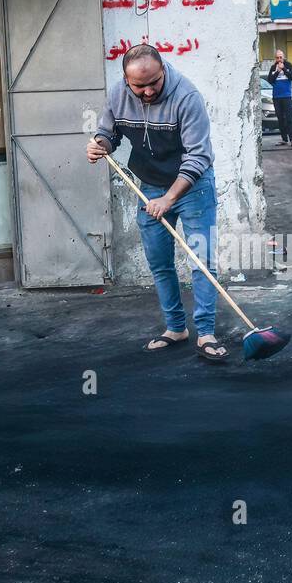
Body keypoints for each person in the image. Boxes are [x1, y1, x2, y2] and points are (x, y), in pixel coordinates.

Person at [86, 45, 227, 361]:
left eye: (155, 82)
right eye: (140, 86)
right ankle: (176, 328)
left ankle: (205, 333)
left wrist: (169, 198)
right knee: (160, 262)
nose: (148, 91)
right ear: (126, 80)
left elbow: (199, 156)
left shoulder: (186, 97)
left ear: (163, 70)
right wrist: (99, 145)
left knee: (201, 260)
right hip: (150, 185)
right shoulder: (118, 95)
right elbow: (109, 133)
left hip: (193, 186)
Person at [265, 51, 292, 146]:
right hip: (276, 97)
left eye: (280, 57)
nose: (279, 59)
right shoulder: (273, 67)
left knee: (289, 118)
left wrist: (283, 69)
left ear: (284, 57)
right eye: (277, 58)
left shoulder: (288, 65)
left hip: (286, 96)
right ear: (275, 58)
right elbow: (270, 80)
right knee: (280, 119)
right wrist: (277, 72)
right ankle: (284, 139)